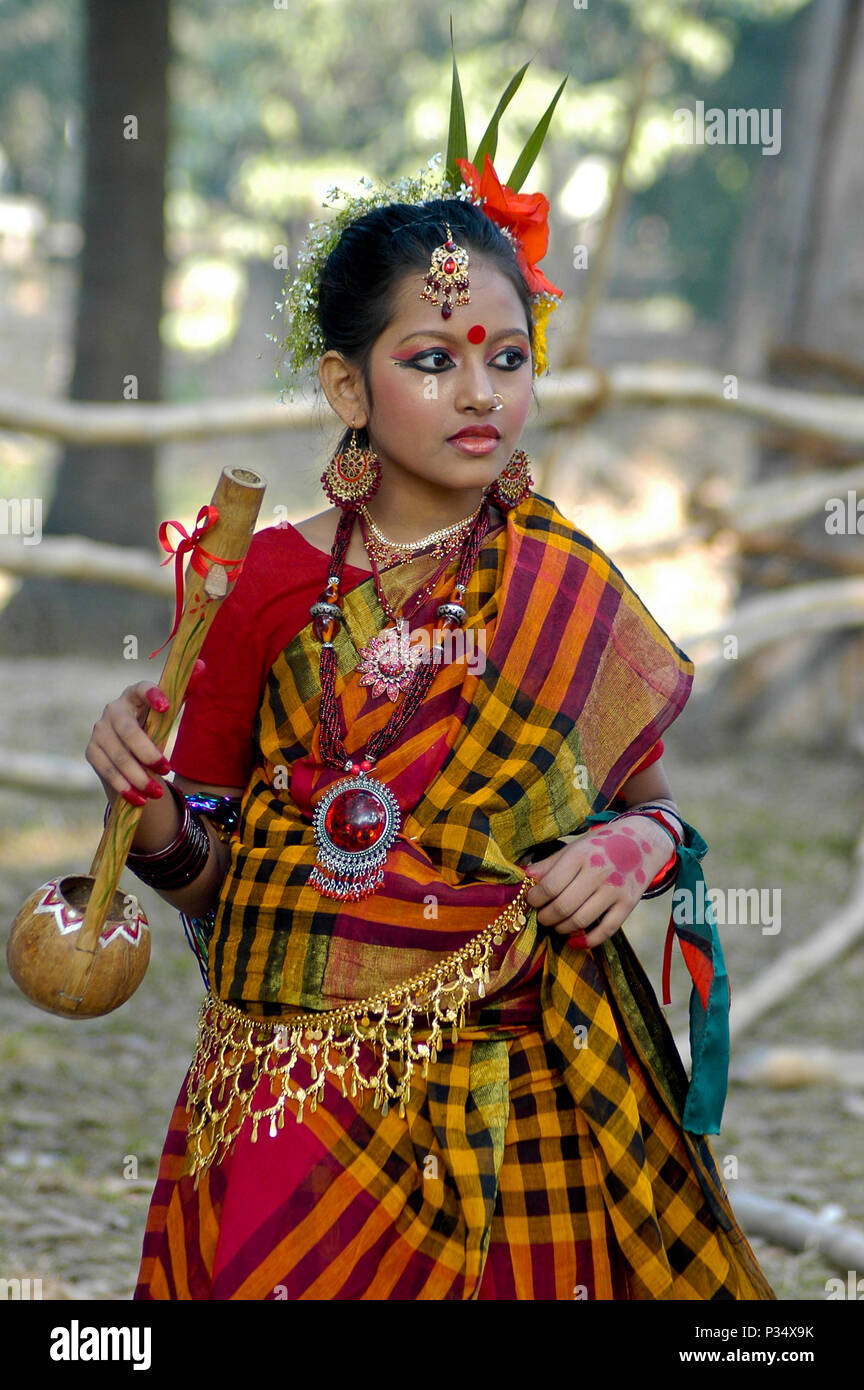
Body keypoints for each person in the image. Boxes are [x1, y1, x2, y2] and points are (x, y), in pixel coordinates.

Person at [85, 167, 775, 1301]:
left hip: (533, 1082)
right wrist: (145, 806)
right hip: (299, 1085)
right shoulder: (256, 581)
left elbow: (655, 807)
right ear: (346, 386)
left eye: (509, 358)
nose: (480, 395)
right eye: (433, 360)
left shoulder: (567, 585)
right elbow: (209, 884)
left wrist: (630, 851)